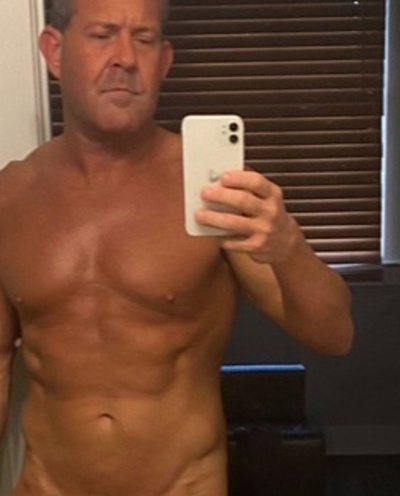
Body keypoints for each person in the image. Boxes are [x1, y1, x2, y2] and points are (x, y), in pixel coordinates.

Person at [0, 0, 353, 494]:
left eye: (144, 39)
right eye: (103, 35)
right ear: (54, 52)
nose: (126, 57)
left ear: (164, 61)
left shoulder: (214, 192)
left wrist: (288, 246)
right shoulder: (11, 197)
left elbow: (334, 335)